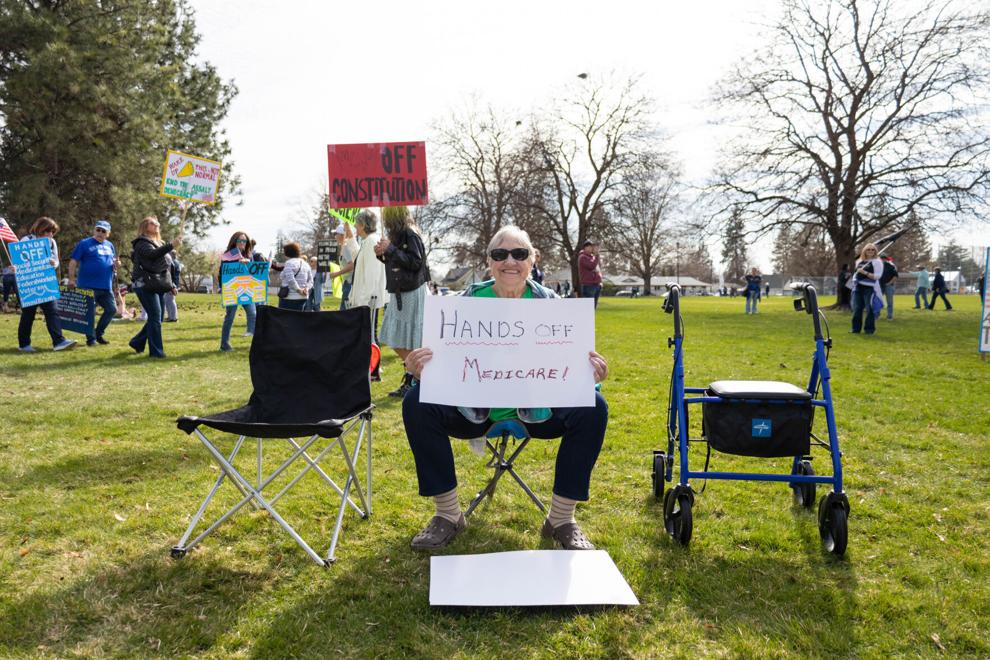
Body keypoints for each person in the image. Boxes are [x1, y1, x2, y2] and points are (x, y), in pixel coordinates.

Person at [401, 226, 610, 552]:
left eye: (519, 254)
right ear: (489, 261)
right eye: (500, 254)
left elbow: (572, 368)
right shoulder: (466, 302)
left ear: (532, 260)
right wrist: (419, 371)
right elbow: (440, 365)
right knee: (416, 402)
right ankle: (448, 515)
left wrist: (592, 375)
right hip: (474, 413)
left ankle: (561, 520)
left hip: (538, 413)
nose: (510, 261)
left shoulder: (551, 304)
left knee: (595, 407)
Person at [376, 206, 430, 398]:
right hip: (402, 291)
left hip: (411, 291)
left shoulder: (410, 234)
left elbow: (415, 262)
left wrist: (390, 249)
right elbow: (398, 262)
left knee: (405, 339)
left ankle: (416, 376)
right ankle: (415, 375)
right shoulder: (400, 235)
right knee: (397, 338)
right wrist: (382, 254)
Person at [330, 210, 387, 378]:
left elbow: (371, 273)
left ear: (362, 225)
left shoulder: (371, 241)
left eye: (356, 223)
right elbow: (357, 255)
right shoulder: (368, 241)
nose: (355, 226)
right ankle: (371, 369)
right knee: (368, 333)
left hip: (369, 299)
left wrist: (364, 299)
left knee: (369, 334)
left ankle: (374, 370)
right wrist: (349, 233)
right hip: (367, 297)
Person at [15, 217, 77, 352]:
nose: (51, 234)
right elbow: (19, 261)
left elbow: (56, 261)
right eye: (48, 231)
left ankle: (59, 342)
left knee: (52, 311)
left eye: (53, 232)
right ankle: (24, 345)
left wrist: (54, 263)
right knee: (28, 314)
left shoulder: (52, 243)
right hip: (30, 283)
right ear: (39, 229)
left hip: (47, 282)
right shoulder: (26, 240)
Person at [129, 216, 182, 358]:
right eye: (152, 223)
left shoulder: (160, 242)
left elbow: (166, 267)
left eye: (157, 223)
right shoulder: (141, 242)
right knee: (155, 317)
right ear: (145, 226)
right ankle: (156, 352)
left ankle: (137, 342)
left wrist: (171, 285)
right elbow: (152, 255)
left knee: (156, 317)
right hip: (144, 283)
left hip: (158, 283)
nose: (157, 224)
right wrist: (171, 245)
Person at [67, 219, 118, 346]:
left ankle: (98, 334)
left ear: (108, 234)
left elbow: (113, 262)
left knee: (112, 309)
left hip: (106, 286)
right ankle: (91, 339)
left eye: (103, 231)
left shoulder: (110, 245)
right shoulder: (84, 243)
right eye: (98, 230)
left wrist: (117, 264)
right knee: (89, 313)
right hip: (88, 285)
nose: (100, 232)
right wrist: (71, 279)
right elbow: (73, 261)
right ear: (94, 230)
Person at [219, 232, 258, 351]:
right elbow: (223, 272)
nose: (242, 243)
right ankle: (224, 344)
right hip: (232, 289)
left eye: (244, 241)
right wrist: (237, 262)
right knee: (230, 317)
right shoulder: (227, 255)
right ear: (234, 241)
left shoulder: (249, 255)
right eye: (240, 240)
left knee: (253, 313)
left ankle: (251, 334)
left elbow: (254, 271)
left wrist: (249, 263)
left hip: (246, 288)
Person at [850, 243, 883, 335]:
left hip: (870, 288)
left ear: (875, 251)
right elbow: (856, 274)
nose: (870, 251)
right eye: (868, 249)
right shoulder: (859, 261)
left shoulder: (877, 262)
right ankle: (855, 329)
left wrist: (865, 272)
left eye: (873, 249)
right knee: (857, 308)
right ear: (864, 251)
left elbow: (877, 276)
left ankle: (869, 330)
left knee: (869, 308)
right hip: (858, 288)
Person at [277, 242, 311, 311]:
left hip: (290, 296)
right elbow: (310, 280)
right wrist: (306, 289)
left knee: (285, 317)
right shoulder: (306, 264)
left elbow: (290, 280)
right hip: (303, 297)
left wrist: (299, 290)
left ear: (287, 253)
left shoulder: (289, 263)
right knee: (299, 317)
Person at [577, 239, 602, 308]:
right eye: (590, 246)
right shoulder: (582, 257)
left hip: (596, 284)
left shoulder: (592, 257)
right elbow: (591, 266)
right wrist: (597, 256)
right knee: (588, 308)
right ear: (585, 247)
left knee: (593, 307)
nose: (592, 248)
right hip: (589, 285)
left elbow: (598, 269)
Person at [163, 250, 181, 322]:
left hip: (172, 284)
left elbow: (171, 274)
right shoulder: (177, 263)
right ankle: (171, 316)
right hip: (174, 283)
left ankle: (173, 317)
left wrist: (172, 285)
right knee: (169, 300)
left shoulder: (173, 263)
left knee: (170, 300)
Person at [880, 255, 898, 320]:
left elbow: (895, 276)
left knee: (889, 302)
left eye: (883, 259)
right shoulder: (877, 266)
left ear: (886, 259)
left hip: (889, 286)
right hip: (879, 286)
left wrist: (889, 283)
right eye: (881, 259)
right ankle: (876, 315)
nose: (882, 260)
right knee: (877, 301)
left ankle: (889, 316)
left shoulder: (891, 266)